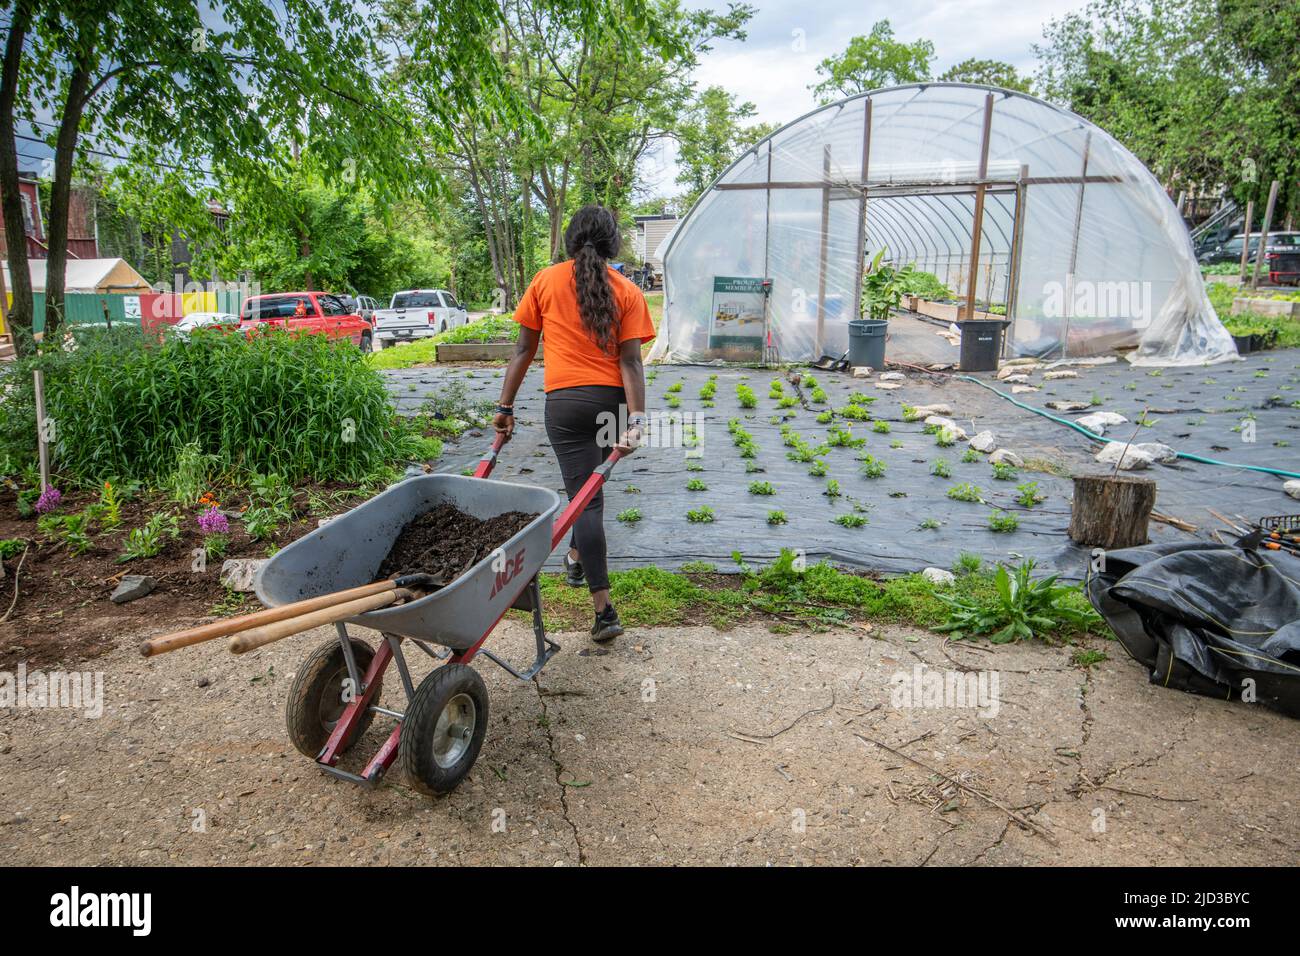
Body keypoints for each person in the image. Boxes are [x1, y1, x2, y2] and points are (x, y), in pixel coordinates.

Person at [493, 205, 653, 642]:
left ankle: (577, 560)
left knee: (586, 497)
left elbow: (523, 350)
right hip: (610, 403)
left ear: (570, 238)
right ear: (611, 243)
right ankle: (601, 607)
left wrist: (504, 408)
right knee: (590, 497)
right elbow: (631, 362)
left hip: (563, 405)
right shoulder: (627, 290)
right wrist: (637, 419)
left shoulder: (545, 281)